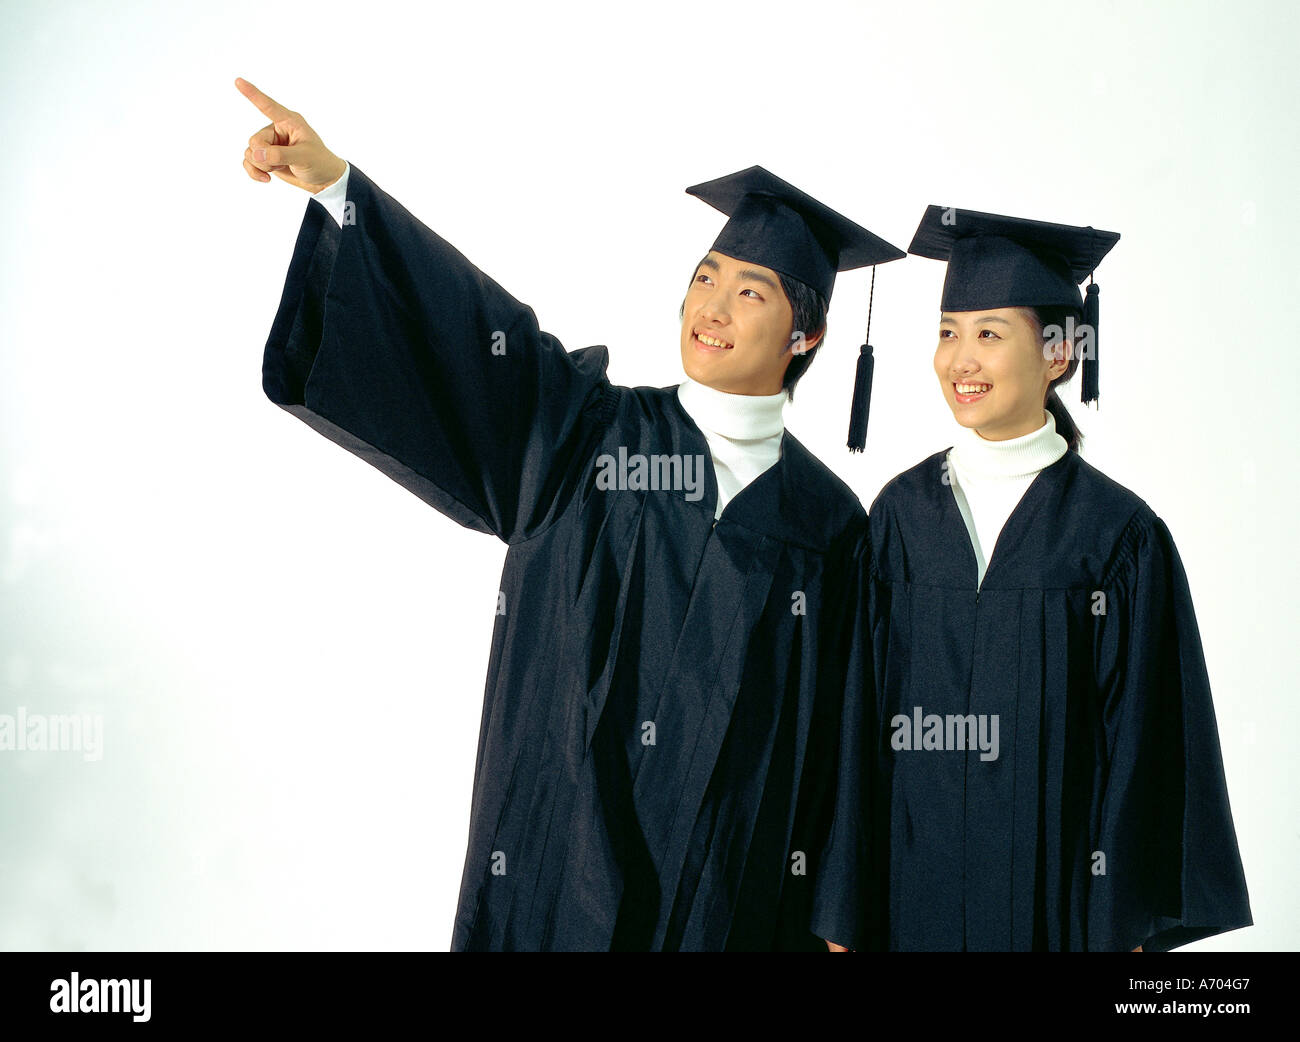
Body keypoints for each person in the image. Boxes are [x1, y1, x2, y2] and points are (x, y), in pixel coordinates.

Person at [236, 77, 905, 950]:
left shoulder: (832, 529)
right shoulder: (585, 433)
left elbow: (841, 750)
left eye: (750, 292)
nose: (710, 306)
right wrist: (337, 190)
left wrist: (836, 922)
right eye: (706, 277)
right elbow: (470, 327)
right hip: (551, 877)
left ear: (805, 335)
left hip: (725, 909)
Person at [817, 205, 1253, 951]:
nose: (960, 359)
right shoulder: (899, 519)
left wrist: (1125, 928)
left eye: (989, 334)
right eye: (948, 332)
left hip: (1058, 920)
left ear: (1058, 354)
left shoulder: (1118, 537)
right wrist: (842, 917)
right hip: (906, 906)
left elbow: (1145, 748)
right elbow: (855, 723)